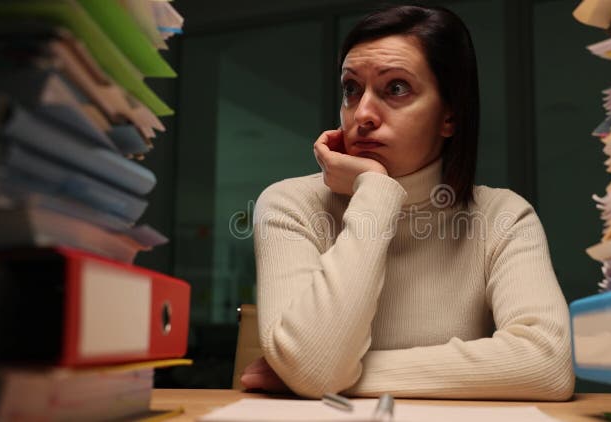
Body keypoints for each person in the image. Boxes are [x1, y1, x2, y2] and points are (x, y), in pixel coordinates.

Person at [240, 4, 574, 400]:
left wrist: (330, 376)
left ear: (449, 115)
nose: (362, 114)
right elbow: (315, 369)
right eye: (351, 89)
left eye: (396, 88)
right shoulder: (290, 205)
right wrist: (375, 190)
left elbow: (547, 364)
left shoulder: (503, 217)